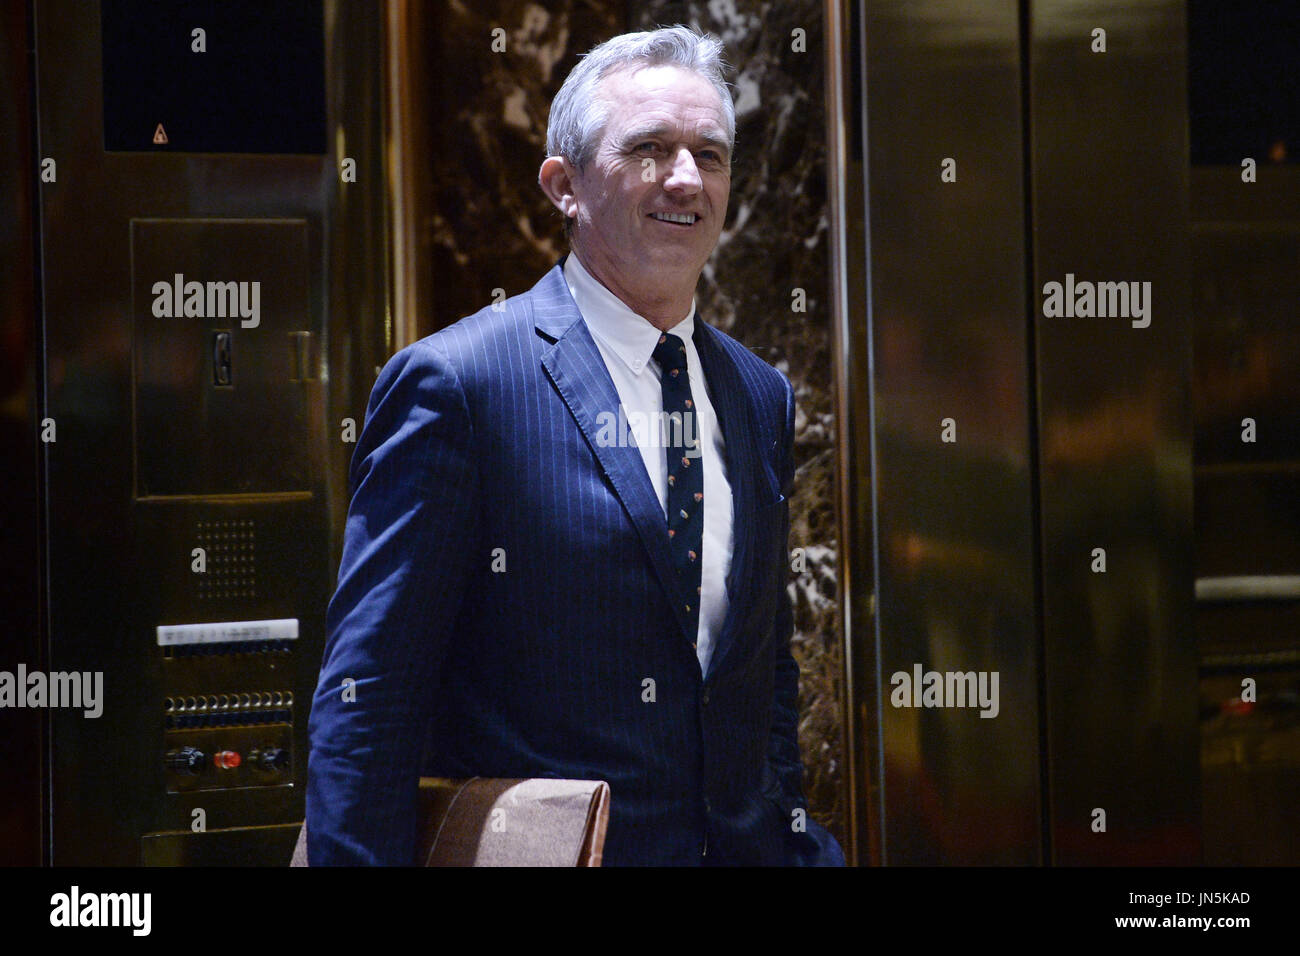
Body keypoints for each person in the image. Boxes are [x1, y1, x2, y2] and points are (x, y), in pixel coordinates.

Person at [306, 24, 844, 866]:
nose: (684, 178)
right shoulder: (461, 386)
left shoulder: (758, 394)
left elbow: (763, 678)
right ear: (563, 184)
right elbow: (369, 699)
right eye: (649, 149)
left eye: (709, 153)